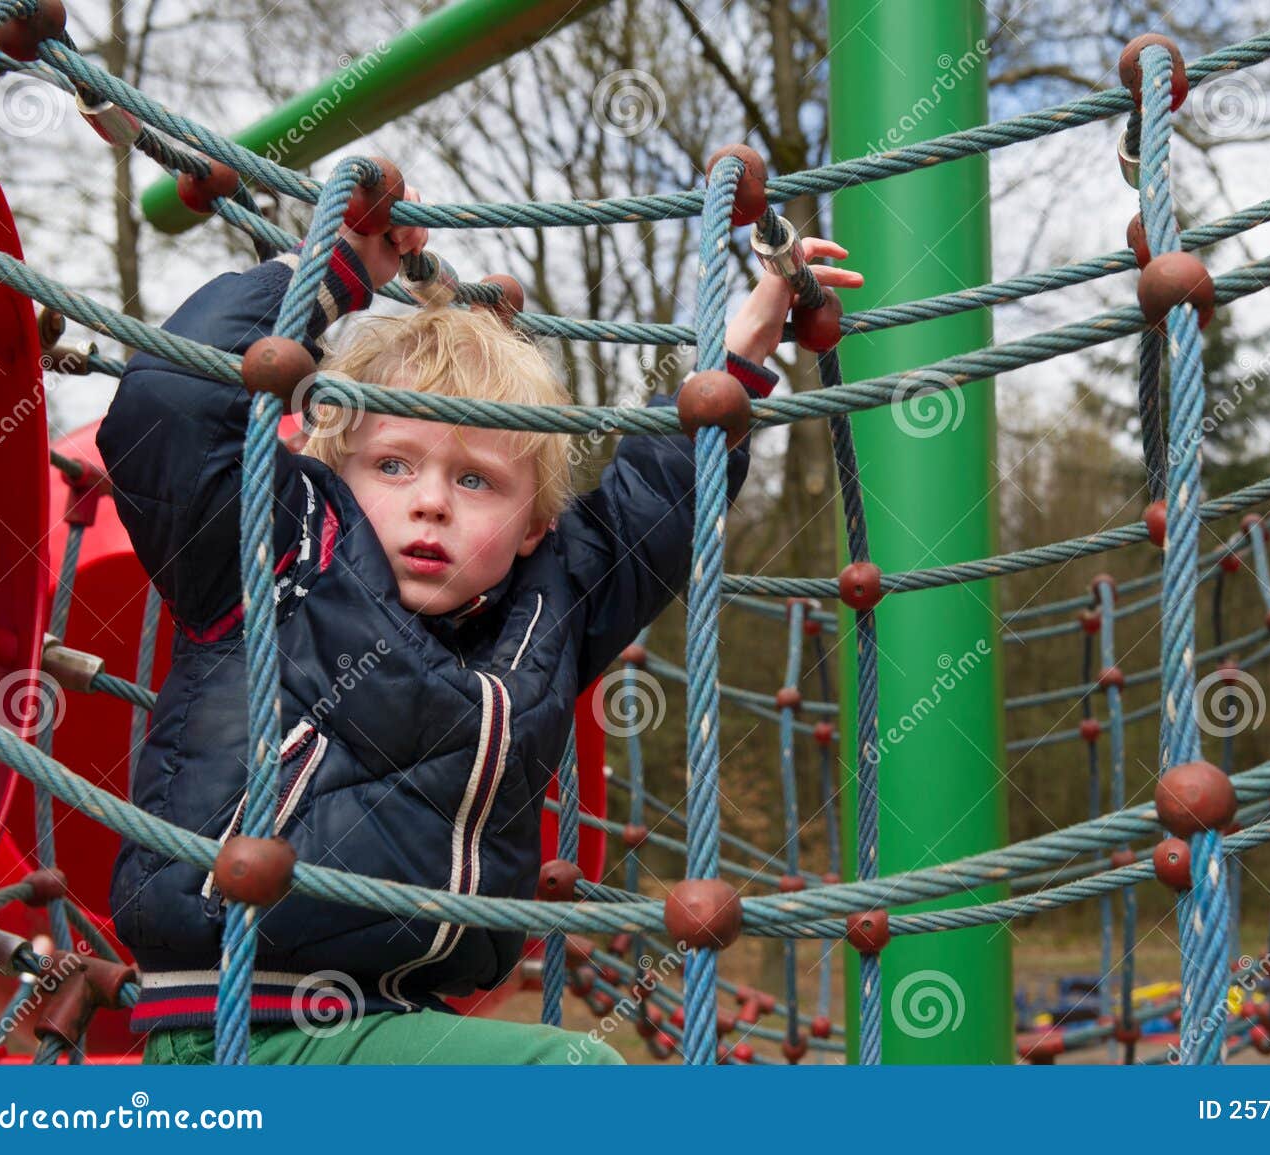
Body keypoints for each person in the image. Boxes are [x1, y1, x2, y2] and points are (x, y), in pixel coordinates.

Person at [96, 179, 861, 1065]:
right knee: (574, 1073)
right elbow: (167, 412)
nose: (430, 503)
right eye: (392, 463)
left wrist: (755, 330)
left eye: (475, 481)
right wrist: (329, 272)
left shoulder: (545, 614)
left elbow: (657, 498)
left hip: (398, 1016)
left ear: (535, 523)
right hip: (237, 1016)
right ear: (333, 465)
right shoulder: (278, 552)